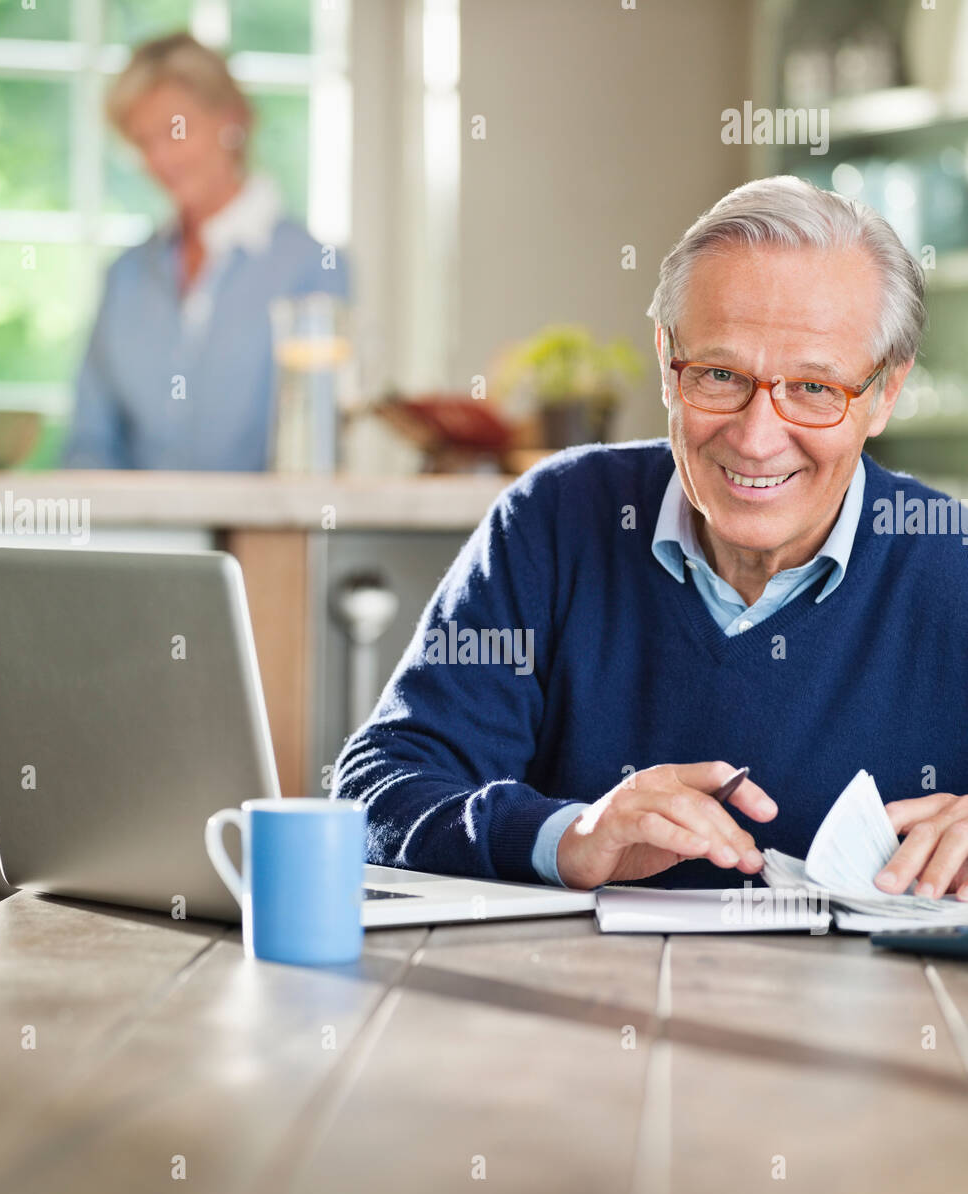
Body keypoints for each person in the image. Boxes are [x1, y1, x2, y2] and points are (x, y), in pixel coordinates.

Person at [334, 174, 968, 901]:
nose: (757, 438)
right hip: (566, 1008)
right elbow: (375, 793)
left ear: (884, 392)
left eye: (815, 389)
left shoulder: (952, 565)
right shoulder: (555, 518)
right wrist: (566, 838)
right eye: (719, 375)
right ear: (667, 363)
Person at [63, 32, 348, 472]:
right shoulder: (125, 276)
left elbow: (314, 452)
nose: (159, 159)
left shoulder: (313, 268)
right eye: (142, 142)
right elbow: (90, 441)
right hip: (135, 537)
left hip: (262, 537)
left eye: (175, 131)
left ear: (232, 120)